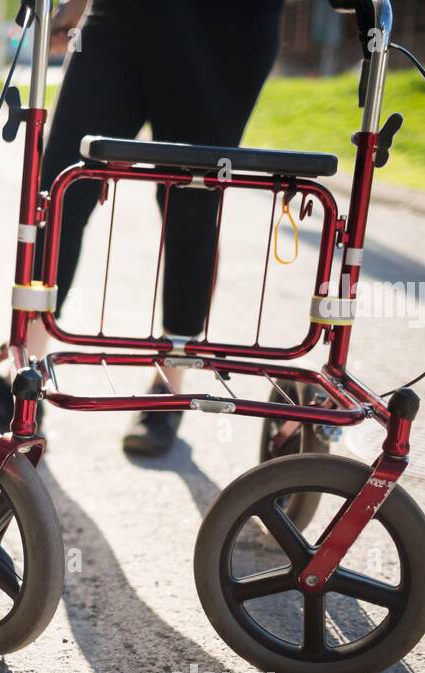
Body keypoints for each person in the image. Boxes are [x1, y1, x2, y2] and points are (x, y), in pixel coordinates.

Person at [29, 0, 286, 456]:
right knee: (60, 190)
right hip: (121, 15)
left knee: (192, 199)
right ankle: (26, 375)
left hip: (227, 28)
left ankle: (170, 387)